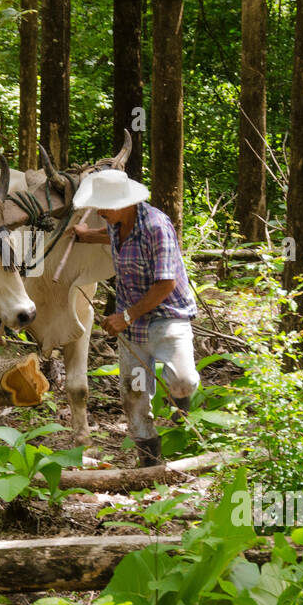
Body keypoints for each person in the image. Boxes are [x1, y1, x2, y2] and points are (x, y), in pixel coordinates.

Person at [71, 169, 198, 466]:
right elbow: (110, 234)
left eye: (105, 205)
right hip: (134, 330)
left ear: (126, 202)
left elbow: (165, 283)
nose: (100, 211)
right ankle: (149, 464)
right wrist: (87, 236)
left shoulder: (155, 226)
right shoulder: (117, 222)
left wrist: (125, 316)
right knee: (135, 393)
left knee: (182, 380)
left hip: (167, 319)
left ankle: (182, 404)